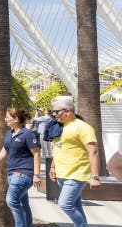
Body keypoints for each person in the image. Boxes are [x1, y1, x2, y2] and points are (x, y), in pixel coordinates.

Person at [49, 96, 101, 227]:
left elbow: (93, 152)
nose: (54, 114)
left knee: (65, 203)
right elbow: (57, 147)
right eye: (53, 112)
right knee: (76, 206)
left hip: (77, 174)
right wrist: (53, 167)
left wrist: (95, 176)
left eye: (56, 111)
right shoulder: (58, 127)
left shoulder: (83, 127)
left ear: (68, 111)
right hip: (62, 174)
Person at [0, 107, 42, 227]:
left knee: (11, 200)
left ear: (16, 119)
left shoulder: (27, 134)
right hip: (12, 174)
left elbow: (37, 154)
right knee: (23, 203)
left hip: (23, 174)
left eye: (8, 117)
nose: (5, 119)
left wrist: (37, 175)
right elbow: (3, 151)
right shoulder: (9, 133)